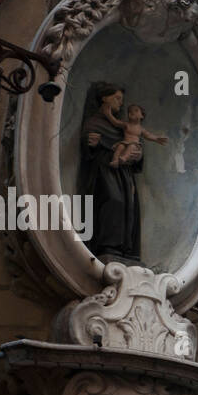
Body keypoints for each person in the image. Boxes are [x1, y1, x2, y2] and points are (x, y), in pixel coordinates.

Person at [80, 82, 143, 263]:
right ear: (104, 98)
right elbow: (87, 148)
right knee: (113, 200)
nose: (120, 104)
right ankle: (107, 246)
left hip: (124, 174)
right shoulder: (94, 122)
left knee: (129, 206)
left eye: (122, 100)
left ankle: (126, 248)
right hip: (104, 171)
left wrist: (138, 155)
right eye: (117, 98)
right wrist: (89, 142)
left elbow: (133, 144)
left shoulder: (121, 126)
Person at [105, 103, 167, 167]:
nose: (132, 112)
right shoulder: (126, 124)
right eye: (130, 111)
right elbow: (115, 122)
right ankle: (115, 160)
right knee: (120, 146)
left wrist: (156, 138)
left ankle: (124, 158)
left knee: (131, 146)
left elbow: (148, 135)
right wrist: (108, 114)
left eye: (136, 110)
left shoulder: (140, 129)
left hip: (135, 145)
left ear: (142, 116)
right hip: (125, 143)